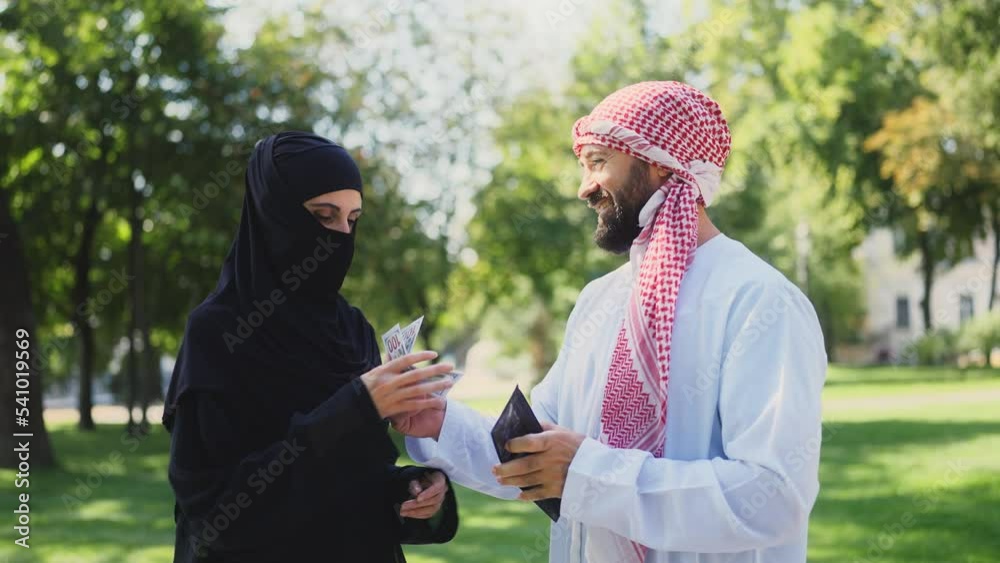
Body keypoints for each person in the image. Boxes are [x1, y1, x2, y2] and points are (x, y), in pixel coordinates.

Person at [398, 82, 827, 563]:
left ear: (660, 161)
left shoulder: (759, 300)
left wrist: (588, 475)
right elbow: (541, 449)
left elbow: (771, 497)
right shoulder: (599, 299)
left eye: (598, 162)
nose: (584, 189)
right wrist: (440, 423)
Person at [163, 131, 459, 562]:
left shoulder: (352, 328)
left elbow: (356, 472)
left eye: (352, 220)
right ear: (274, 214)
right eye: (323, 216)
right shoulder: (219, 333)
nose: (341, 235)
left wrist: (408, 490)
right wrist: (354, 407)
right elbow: (214, 512)